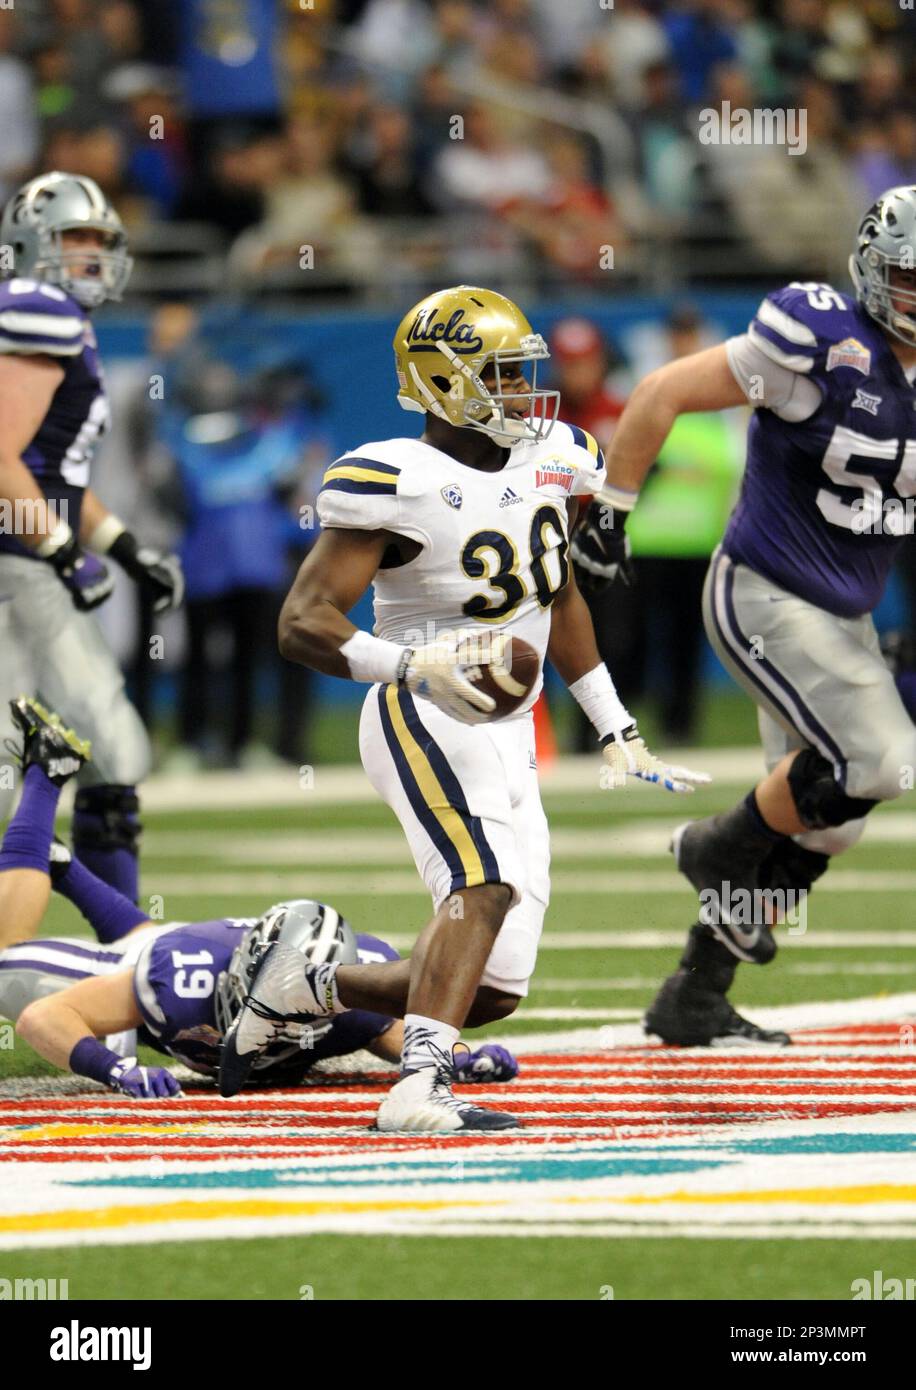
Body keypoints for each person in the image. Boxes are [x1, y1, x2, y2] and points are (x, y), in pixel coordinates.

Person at [232, 284, 709, 1134]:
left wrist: (614, 724)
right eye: (503, 375)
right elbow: (302, 624)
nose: (527, 393)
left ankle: (307, 985)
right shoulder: (396, 478)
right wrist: (417, 666)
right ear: (446, 383)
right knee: (479, 884)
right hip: (422, 711)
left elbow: (557, 597)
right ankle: (417, 1092)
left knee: (491, 988)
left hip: (509, 727)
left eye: (526, 373)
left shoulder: (558, 455)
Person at [572, 185, 916, 1046]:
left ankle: (695, 991)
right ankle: (715, 845)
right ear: (874, 275)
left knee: (831, 825)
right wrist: (611, 508)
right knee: (884, 759)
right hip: (763, 592)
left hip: (843, 614)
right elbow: (660, 392)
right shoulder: (819, 340)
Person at [0, 697, 517, 1094]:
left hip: (170, 946)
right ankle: (48, 771)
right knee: (7, 962)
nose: (281, 1019)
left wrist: (460, 1059)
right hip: (146, 960)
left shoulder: (353, 997)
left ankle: (59, 863)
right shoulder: (183, 979)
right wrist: (111, 1069)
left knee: (142, 940)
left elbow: (396, 1033)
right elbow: (41, 1019)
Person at [0, 171, 184, 903]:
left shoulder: (64, 321)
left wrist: (125, 548)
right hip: (17, 567)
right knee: (101, 750)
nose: (91, 254)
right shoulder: (37, 311)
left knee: (98, 759)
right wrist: (59, 551)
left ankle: (118, 945)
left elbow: (57, 475)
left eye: (99, 241)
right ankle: (120, 946)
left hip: (26, 559)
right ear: (30, 244)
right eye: (74, 238)